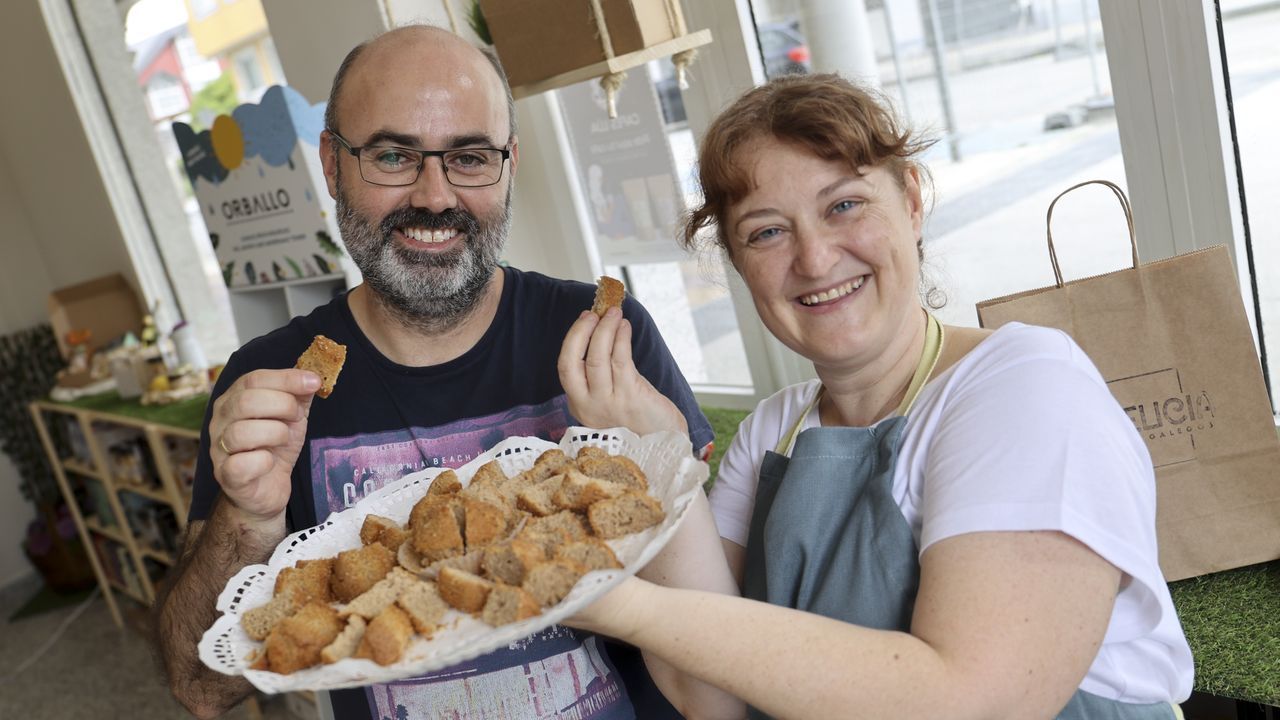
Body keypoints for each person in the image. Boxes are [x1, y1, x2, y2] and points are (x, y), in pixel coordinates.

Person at [559, 74, 1195, 719]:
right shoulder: (773, 430)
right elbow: (714, 698)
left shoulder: (1025, 386)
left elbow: (975, 704)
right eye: (766, 232)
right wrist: (655, 453)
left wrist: (617, 602)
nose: (814, 258)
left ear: (912, 202)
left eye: (843, 206)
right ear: (738, 263)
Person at [153, 25, 715, 720]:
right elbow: (202, 686)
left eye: (470, 157)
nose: (435, 197)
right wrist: (248, 517)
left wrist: (654, 448)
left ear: (510, 162)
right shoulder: (268, 379)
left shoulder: (603, 338)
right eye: (392, 155)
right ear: (332, 164)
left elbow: (713, 664)